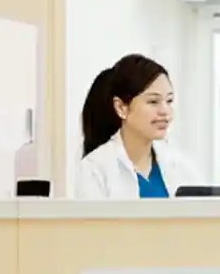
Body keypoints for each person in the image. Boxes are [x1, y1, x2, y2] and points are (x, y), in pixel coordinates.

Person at [76, 54, 201, 199]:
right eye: (153, 101)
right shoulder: (95, 169)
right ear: (121, 108)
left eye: (169, 101)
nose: (165, 111)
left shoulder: (180, 166)